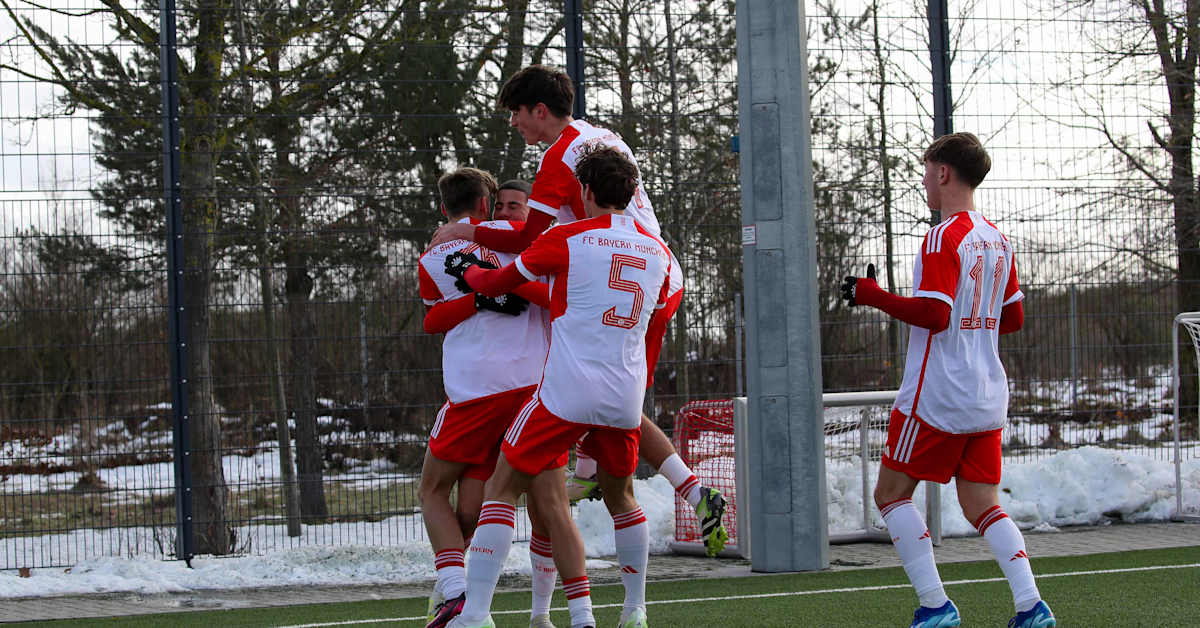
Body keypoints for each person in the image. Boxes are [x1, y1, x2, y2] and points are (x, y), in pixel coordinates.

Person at [429, 64, 728, 557]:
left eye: (516, 113)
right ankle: (665, 486)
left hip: (624, 279)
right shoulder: (601, 136)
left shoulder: (558, 164)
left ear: (539, 110)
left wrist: (469, 241)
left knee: (595, 407)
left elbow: (528, 241)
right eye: (500, 207)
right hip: (653, 274)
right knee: (617, 403)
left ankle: (484, 587)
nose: (513, 123)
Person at [444, 147, 670, 628]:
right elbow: (658, 316)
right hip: (626, 395)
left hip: (568, 391)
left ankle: (476, 614)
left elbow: (501, 281)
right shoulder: (659, 252)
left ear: (584, 191)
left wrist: (471, 273)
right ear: (632, 193)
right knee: (622, 496)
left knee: (502, 487)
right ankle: (635, 610)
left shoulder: (569, 237)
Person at [840, 132, 1055, 628]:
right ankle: (1031, 606)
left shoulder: (943, 236)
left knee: (891, 495)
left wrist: (873, 296)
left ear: (942, 172)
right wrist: (974, 323)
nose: (923, 182)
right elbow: (1014, 318)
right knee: (983, 505)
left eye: (926, 171)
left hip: (937, 395)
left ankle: (936, 605)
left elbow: (935, 315)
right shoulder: (997, 239)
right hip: (986, 394)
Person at [417, 167, 564, 628]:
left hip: (476, 391)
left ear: (445, 207)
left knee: (433, 490)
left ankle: (458, 593)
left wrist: (483, 294)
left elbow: (433, 319)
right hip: (536, 389)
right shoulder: (529, 239)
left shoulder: (435, 253)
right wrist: (486, 296)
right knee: (499, 507)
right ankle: (557, 612)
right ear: (487, 204)